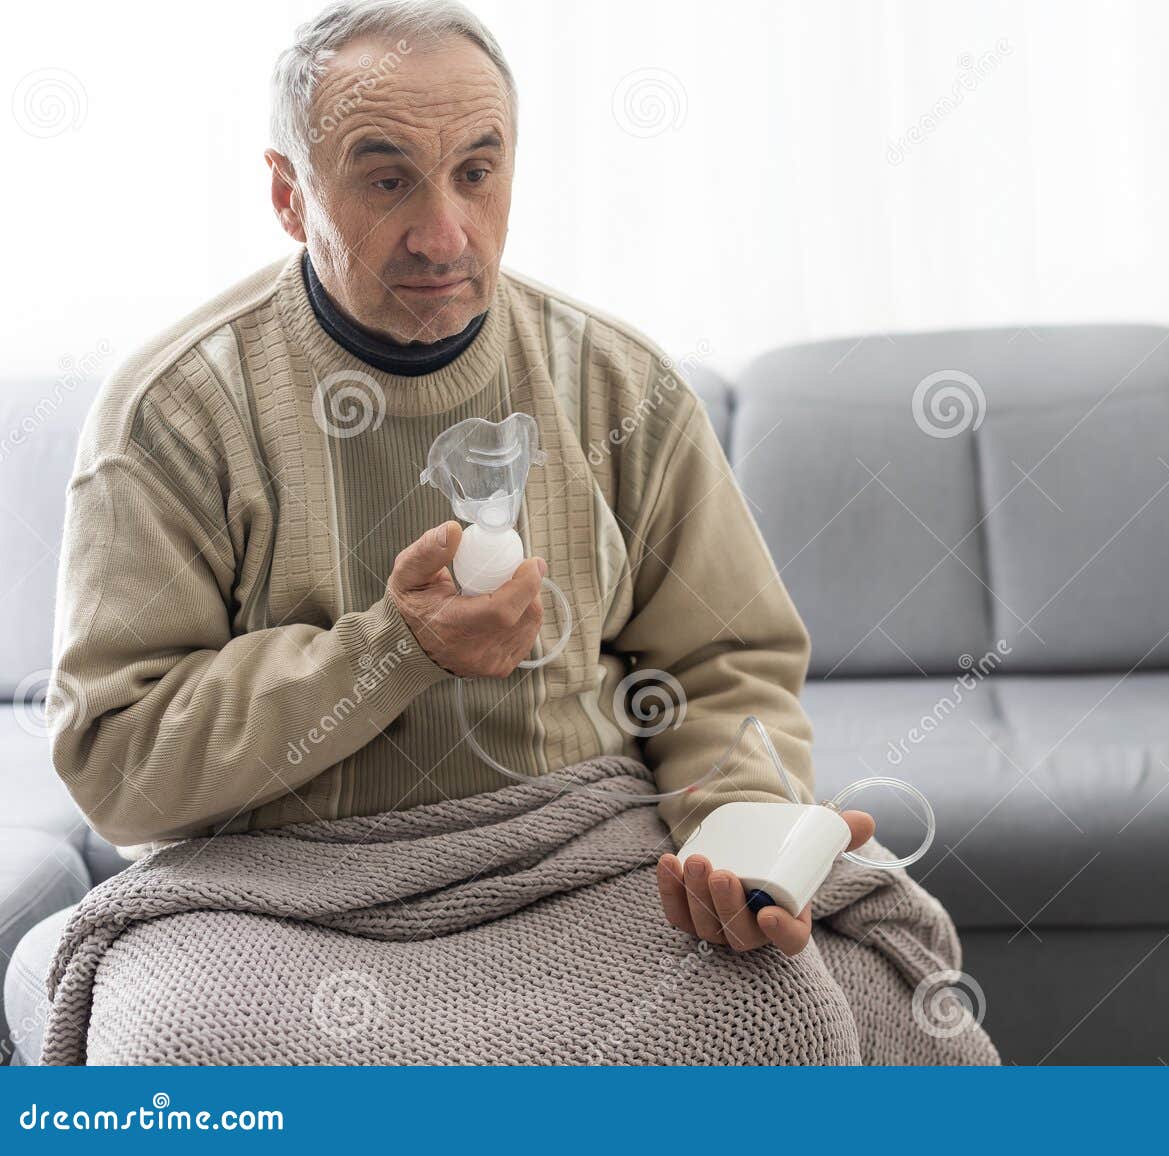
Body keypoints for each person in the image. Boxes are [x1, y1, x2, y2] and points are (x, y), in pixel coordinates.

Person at [49, 0, 871, 957]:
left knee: (791, 1014)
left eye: (475, 174)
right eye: (387, 180)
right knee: (196, 1052)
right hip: (279, 889)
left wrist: (738, 841)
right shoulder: (175, 414)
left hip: (585, 852)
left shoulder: (619, 384)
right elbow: (120, 761)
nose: (443, 234)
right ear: (289, 195)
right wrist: (391, 651)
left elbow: (725, 666)